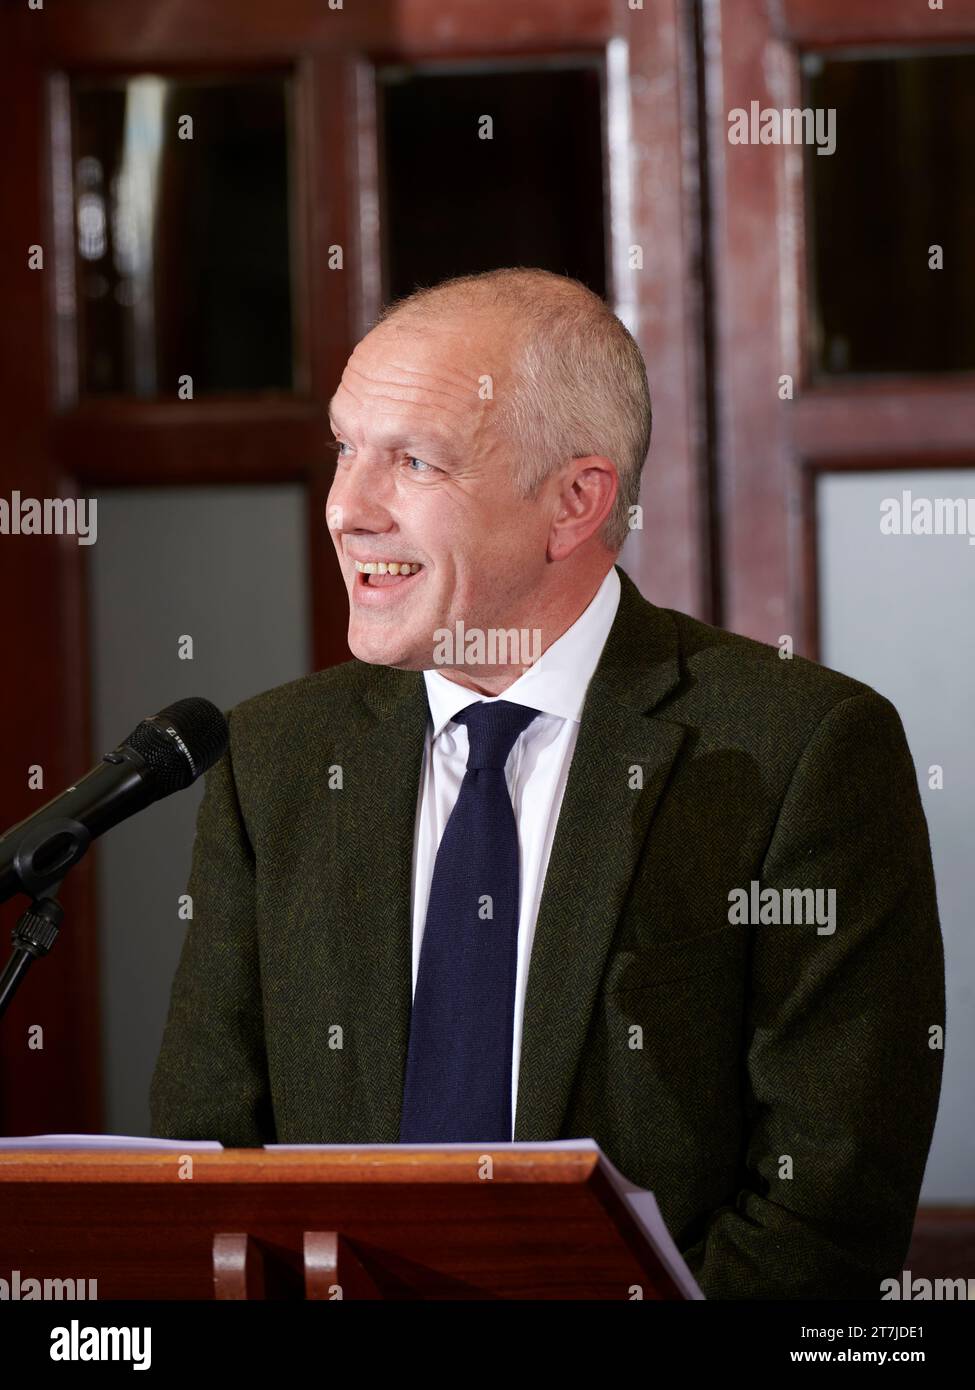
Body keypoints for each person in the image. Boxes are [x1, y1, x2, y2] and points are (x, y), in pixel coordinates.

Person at [150, 267, 945, 1299]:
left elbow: (825, 1220)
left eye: (413, 462)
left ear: (576, 501)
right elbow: (205, 1166)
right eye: (347, 448)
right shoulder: (277, 760)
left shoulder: (803, 753)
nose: (347, 507)